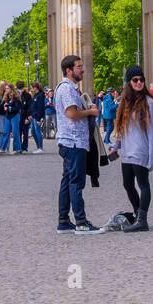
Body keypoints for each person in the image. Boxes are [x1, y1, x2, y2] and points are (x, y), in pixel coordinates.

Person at [54, 54, 105, 235]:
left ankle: (64, 221)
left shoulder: (69, 88)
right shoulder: (67, 89)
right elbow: (72, 114)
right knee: (76, 182)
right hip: (73, 140)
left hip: (70, 140)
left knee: (68, 181)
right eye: (79, 67)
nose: (82, 69)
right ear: (69, 70)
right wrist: (90, 111)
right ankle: (81, 222)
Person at [109, 66, 153, 233]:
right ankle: (138, 213)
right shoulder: (126, 102)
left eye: (141, 79)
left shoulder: (149, 102)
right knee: (127, 184)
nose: (139, 82)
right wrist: (115, 146)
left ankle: (142, 220)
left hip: (140, 150)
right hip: (126, 151)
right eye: (135, 80)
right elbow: (121, 127)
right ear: (128, 83)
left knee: (143, 184)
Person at [27, 83, 46, 154]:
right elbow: (33, 106)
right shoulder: (35, 95)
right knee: (33, 132)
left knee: (37, 131)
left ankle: (40, 147)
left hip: (37, 116)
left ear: (36, 88)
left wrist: (39, 118)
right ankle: (38, 146)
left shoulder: (41, 95)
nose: (31, 89)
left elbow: (40, 107)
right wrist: (30, 114)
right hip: (33, 116)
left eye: (32, 88)